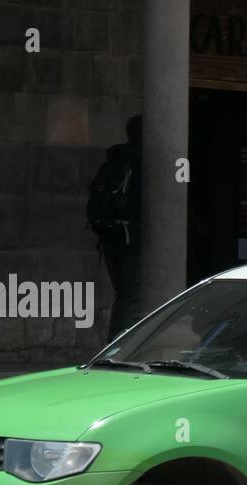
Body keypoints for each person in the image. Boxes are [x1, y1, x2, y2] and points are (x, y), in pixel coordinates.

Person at [90, 115, 143, 340]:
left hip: (109, 238)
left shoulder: (112, 162)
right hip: (131, 239)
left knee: (122, 295)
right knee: (132, 297)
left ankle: (115, 343)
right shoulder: (141, 162)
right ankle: (121, 348)